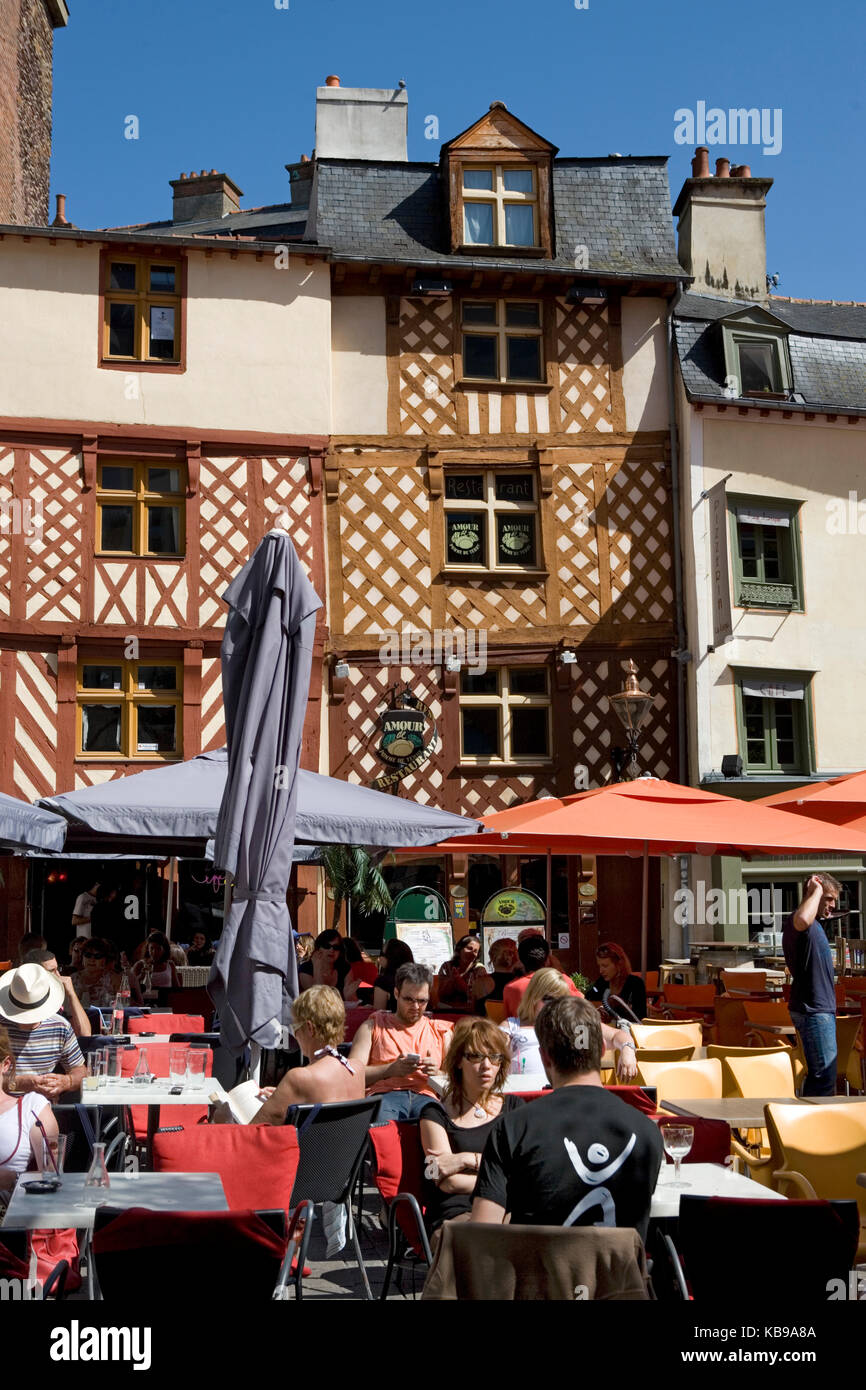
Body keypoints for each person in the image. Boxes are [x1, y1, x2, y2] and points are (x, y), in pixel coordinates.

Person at [471, 998, 663, 1240]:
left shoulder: (512, 1128)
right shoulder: (648, 1132)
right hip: (617, 1277)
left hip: (537, 1275)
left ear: (545, 1058)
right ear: (602, 1050)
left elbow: (479, 1237)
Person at [419, 1018, 523, 1235]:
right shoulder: (434, 1114)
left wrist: (466, 1159)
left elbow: (525, 1172)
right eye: (475, 1056)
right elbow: (446, 1182)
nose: (486, 1066)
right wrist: (503, 1178)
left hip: (509, 1209)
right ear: (458, 1061)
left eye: (494, 1057)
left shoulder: (514, 1108)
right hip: (458, 1213)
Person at [349, 963, 453, 1123]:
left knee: (437, 1122)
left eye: (422, 1001)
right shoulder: (373, 1025)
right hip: (384, 1096)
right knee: (386, 1127)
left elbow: (461, 1079)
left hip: (426, 1097)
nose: (416, 1007)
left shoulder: (441, 1031)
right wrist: (389, 1070)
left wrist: (437, 1073)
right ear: (396, 993)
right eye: (409, 999)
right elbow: (351, 1075)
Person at [245, 986, 364, 1124]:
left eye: (295, 1028)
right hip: (348, 1146)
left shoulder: (300, 1078)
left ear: (310, 1028)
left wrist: (224, 1117)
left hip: (307, 1146)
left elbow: (253, 1130)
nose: (294, 1035)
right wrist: (285, 1095)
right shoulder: (357, 1070)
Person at [503, 967, 638, 1081]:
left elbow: (617, 1035)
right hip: (524, 1096)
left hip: (566, 1093)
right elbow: (490, 1051)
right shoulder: (513, 1026)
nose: (554, 1005)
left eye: (561, 999)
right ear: (533, 998)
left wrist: (628, 1050)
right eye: (547, 999)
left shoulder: (575, 1024)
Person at [784, 873, 841, 1097]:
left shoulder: (812, 925)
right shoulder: (801, 922)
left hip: (818, 1008)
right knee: (823, 1078)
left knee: (822, 1076)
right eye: (828, 898)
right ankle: (813, 1125)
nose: (832, 905)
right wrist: (816, 891)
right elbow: (802, 920)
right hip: (814, 1010)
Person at [0, 963, 86, 1100]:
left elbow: (80, 1071)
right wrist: (19, 1083)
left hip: (42, 1109)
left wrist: (66, 1082)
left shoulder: (60, 1026)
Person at [0, 1027, 59, 1198]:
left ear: (5, 1065)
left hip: (11, 1218)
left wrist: (14, 1179)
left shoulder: (32, 1108)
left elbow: (51, 1179)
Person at [502, 937, 581, 1020]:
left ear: (520, 960)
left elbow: (509, 1020)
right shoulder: (564, 981)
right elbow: (579, 1009)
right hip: (556, 1031)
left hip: (524, 1031)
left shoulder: (511, 988)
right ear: (547, 959)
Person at [22, 949, 91, 1038]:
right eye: (52, 971)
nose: (58, 975)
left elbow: (85, 1034)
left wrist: (71, 994)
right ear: (34, 974)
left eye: (58, 969)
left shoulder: (60, 993)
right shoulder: (19, 995)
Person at [585, 943, 647, 1021]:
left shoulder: (635, 984)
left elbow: (640, 1017)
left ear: (619, 965)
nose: (600, 971)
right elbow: (587, 1000)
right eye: (599, 966)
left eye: (605, 966)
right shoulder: (602, 982)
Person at [298, 929, 358, 1002]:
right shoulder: (306, 969)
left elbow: (352, 1001)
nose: (331, 950)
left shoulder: (344, 968)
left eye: (336, 947)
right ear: (318, 948)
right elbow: (316, 999)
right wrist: (317, 967)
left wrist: (350, 996)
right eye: (326, 946)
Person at [436, 934, 491, 1012]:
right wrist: (451, 980)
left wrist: (458, 980)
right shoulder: (447, 966)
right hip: (447, 1009)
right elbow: (441, 995)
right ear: (459, 949)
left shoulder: (479, 969)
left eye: (475, 951)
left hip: (470, 1012)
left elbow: (476, 998)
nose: (472, 953)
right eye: (469, 948)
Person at [71, 939, 122, 1009]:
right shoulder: (72, 979)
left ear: (105, 959)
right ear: (82, 957)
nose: (92, 959)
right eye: (88, 955)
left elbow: (124, 1004)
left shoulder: (113, 979)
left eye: (98, 956)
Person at [131, 931, 180, 1000]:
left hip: (167, 1001)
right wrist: (141, 976)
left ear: (164, 950)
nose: (154, 952)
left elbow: (177, 989)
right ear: (148, 948)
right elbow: (130, 987)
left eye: (158, 949)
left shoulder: (170, 965)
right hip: (147, 1001)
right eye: (152, 948)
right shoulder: (140, 965)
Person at [373, 939, 414, 1012]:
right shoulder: (419, 978)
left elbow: (378, 1013)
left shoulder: (383, 982)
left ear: (390, 958)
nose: (379, 958)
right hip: (418, 1021)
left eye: (382, 954)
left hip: (392, 1022)